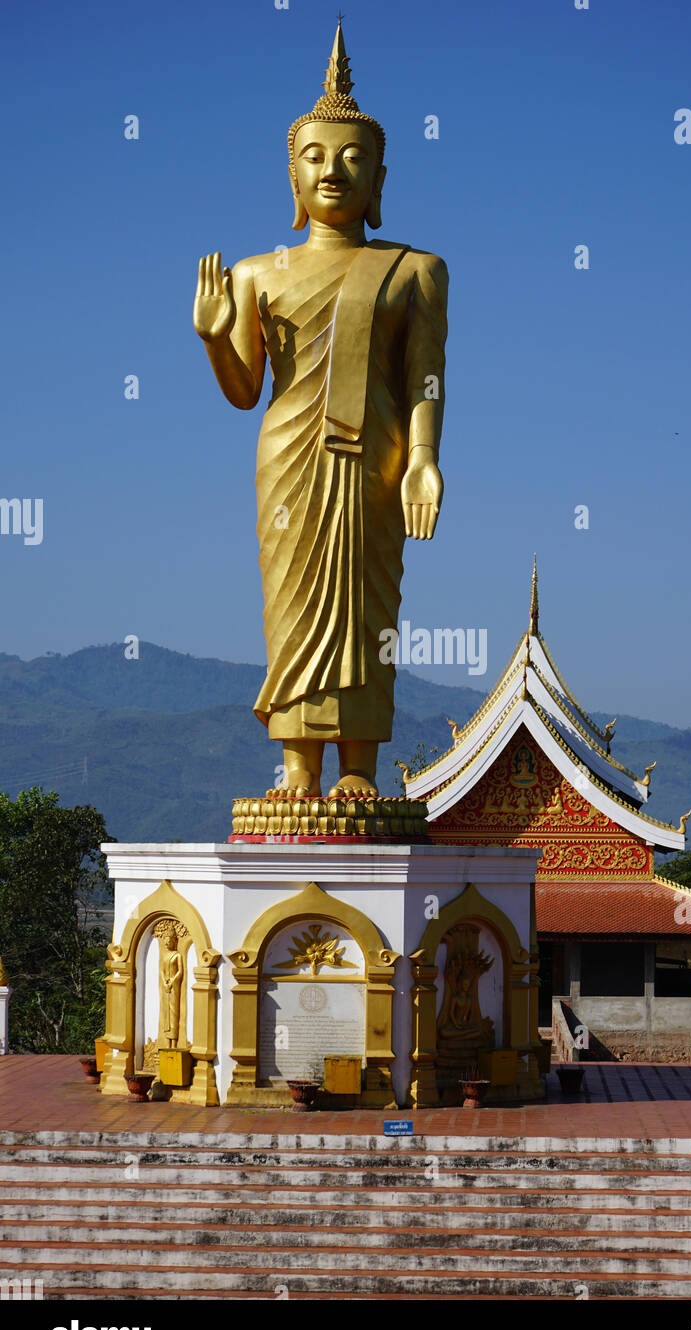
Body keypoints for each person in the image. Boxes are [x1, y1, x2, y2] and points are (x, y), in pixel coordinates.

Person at [193, 21, 447, 798]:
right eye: (315, 156)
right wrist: (212, 339)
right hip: (289, 458)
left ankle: (360, 770)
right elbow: (243, 391)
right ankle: (298, 767)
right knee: (296, 607)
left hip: (376, 458)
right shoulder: (253, 274)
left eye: (352, 157)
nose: (332, 169)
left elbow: (426, 381)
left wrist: (426, 458)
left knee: (369, 606)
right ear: (292, 180)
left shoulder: (414, 271)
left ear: (379, 180)